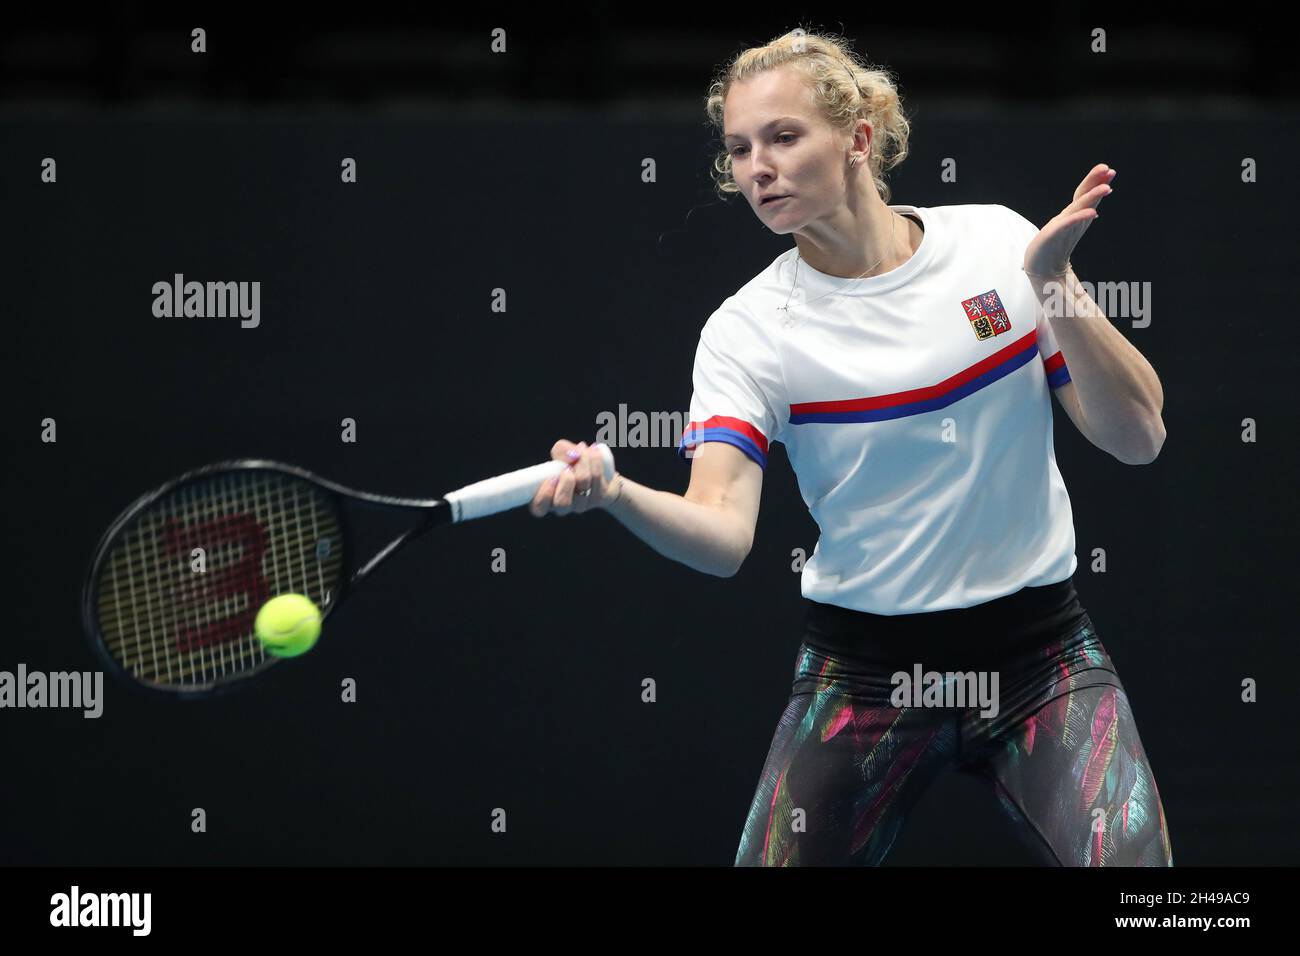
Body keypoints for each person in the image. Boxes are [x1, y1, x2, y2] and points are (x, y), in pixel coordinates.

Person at [528, 28, 1172, 867]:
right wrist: (616, 492)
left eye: (783, 137)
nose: (757, 166)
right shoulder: (747, 331)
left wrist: (1053, 285)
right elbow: (722, 535)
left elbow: (1139, 437)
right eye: (739, 148)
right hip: (864, 679)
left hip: (1043, 660)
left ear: (859, 138)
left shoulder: (996, 247)